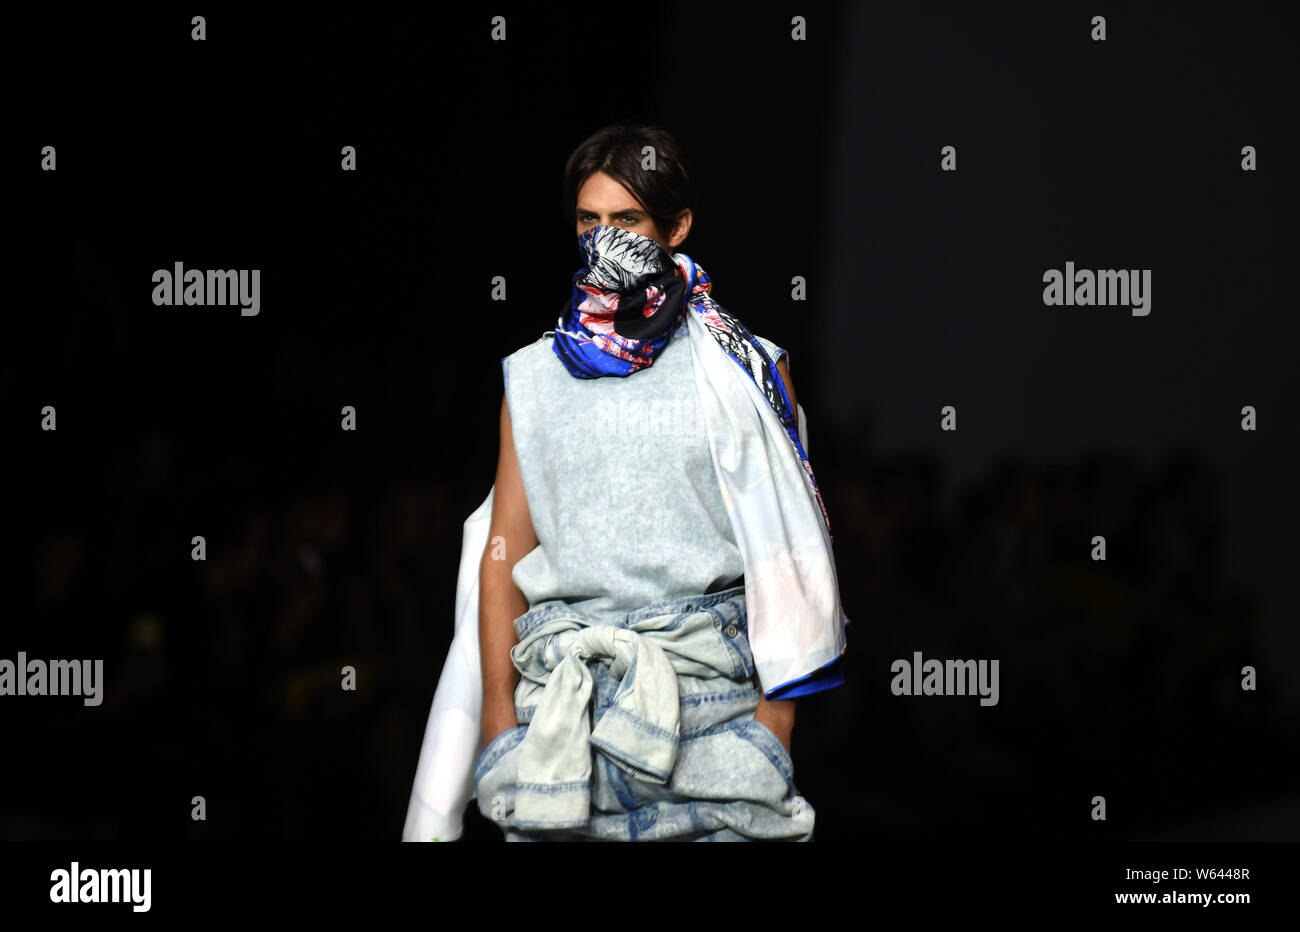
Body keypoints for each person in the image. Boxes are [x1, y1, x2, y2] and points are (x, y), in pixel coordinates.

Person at [466, 122, 848, 841]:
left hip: (713, 712)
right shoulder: (536, 375)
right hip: (561, 725)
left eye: (627, 219)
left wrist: (773, 730)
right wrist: (497, 726)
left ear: (676, 227)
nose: (604, 238)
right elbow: (503, 551)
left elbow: (792, 554)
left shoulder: (748, 368)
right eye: (589, 219)